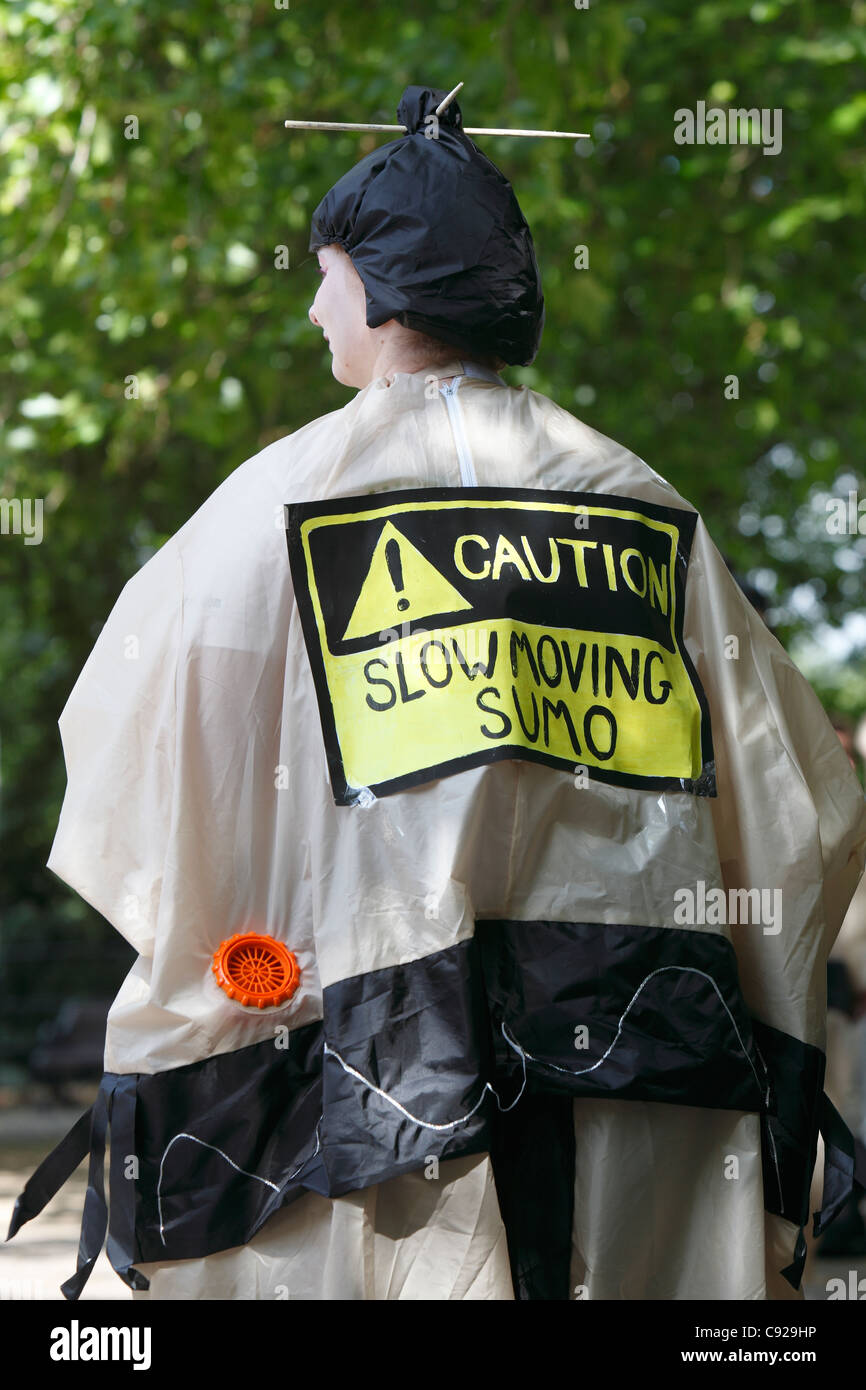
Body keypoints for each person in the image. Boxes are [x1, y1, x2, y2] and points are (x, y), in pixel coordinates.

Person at [8, 84, 866, 1302]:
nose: (314, 306)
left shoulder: (269, 508)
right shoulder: (638, 505)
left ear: (382, 289)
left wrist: (250, 946)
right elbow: (800, 808)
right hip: (636, 1090)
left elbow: (138, 769)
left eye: (329, 273)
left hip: (356, 1101)